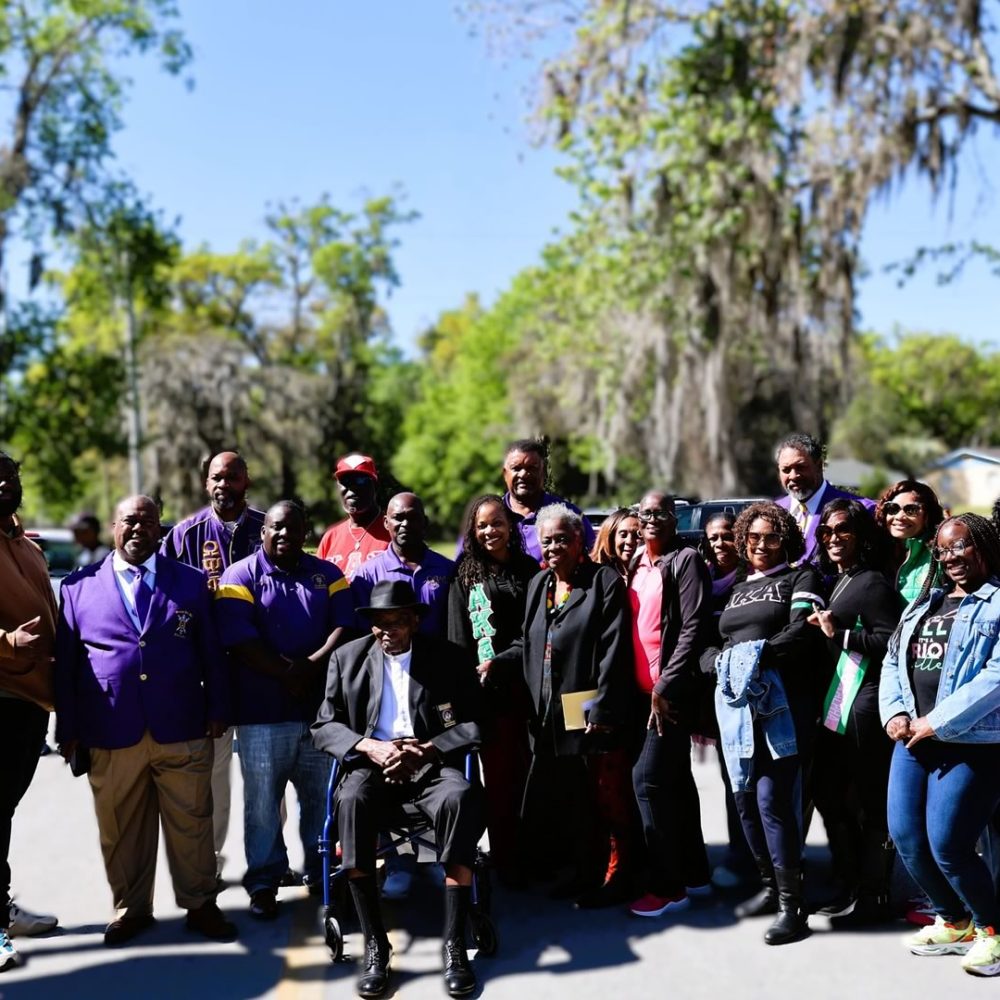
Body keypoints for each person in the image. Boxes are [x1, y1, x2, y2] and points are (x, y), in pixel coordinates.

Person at [54, 495, 236, 947]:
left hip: (182, 725)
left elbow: (211, 653)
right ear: (114, 527)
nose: (138, 530)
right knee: (120, 827)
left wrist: (218, 709)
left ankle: (201, 905)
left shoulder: (191, 584)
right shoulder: (78, 587)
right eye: (129, 522)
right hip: (111, 729)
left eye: (148, 522)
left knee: (193, 821)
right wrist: (69, 730)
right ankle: (130, 910)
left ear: (161, 530)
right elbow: (67, 668)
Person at [312, 580, 484, 999]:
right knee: (350, 802)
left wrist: (428, 748)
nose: (387, 631)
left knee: (460, 797)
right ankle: (375, 943)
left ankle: (454, 944)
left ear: (414, 620)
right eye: (378, 623)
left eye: (396, 622)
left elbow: (476, 723)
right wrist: (369, 746)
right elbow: (324, 725)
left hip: (429, 764)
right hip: (373, 764)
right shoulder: (346, 659)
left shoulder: (448, 659)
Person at [486, 504, 634, 909]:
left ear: (579, 540)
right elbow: (528, 642)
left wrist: (602, 709)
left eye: (561, 539)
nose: (553, 547)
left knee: (604, 798)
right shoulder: (540, 585)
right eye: (546, 540)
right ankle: (581, 873)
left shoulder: (602, 582)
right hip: (547, 715)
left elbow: (613, 649)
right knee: (572, 800)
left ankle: (617, 877)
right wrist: (498, 661)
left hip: (586, 709)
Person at [215, 500, 353, 919]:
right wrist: (286, 672)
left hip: (317, 714)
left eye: (292, 530)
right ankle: (263, 882)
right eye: (275, 528)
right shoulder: (239, 576)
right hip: (262, 714)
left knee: (318, 802)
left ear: (305, 533)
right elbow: (239, 638)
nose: (283, 535)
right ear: (262, 532)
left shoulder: (328, 576)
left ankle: (320, 871)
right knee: (261, 805)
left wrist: (310, 667)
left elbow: (344, 628)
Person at [880, 513, 1000, 977]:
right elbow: (893, 659)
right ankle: (954, 920)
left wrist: (936, 721)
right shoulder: (923, 604)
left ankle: (993, 930)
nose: (952, 557)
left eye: (962, 546)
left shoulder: (995, 603)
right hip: (912, 739)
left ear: (984, 545)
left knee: (949, 842)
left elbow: (995, 677)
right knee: (908, 839)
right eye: (944, 550)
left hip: (972, 741)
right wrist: (894, 713)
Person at [702, 501, 824, 945]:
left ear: (786, 539)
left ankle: (794, 907)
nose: (761, 544)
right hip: (735, 709)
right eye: (752, 537)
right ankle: (770, 888)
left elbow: (801, 634)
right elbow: (713, 641)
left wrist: (748, 658)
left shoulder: (799, 576)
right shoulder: (736, 586)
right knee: (745, 802)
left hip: (781, 707)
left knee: (773, 802)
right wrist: (714, 661)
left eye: (771, 536)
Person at [161, 449, 266, 881]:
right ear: (206, 484)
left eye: (233, 477)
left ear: (247, 481)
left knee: (264, 773)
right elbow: (167, 602)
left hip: (261, 671)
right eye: (216, 478)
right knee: (212, 775)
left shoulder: (269, 527)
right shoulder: (185, 535)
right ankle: (212, 863)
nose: (224, 485)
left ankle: (266, 862)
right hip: (209, 676)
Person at [806, 499, 901, 925]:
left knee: (870, 805)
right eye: (826, 531)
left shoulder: (873, 583)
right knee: (828, 794)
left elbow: (891, 642)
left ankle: (874, 895)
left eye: (842, 530)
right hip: (837, 709)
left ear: (861, 536)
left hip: (866, 709)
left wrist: (839, 634)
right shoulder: (839, 581)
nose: (833, 538)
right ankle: (848, 880)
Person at [628, 492, 713, 917]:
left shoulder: (686, 560)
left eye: (661, 513)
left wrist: (666, 685)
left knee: (647, 782)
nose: (653, 520)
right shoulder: (638, 563)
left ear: (675, 517)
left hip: (669, 697)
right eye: (646, 514)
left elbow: (693, 626)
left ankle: (667, 887)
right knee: (676, 782)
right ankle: (695, 874)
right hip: (642, 694)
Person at [448, 494, 539, 883]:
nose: (490, 531)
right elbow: (456, 641)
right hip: (486, 698)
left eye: (497, 522)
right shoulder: (464, 575)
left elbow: (536, 632)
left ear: (511, 526)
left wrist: (505, 660)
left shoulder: (529, 570)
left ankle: (539, 852)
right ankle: (507, 859)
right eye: (482, 525)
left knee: (533, 778)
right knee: (499, 783)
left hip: (530, 691)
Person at [0, 452, 59, 970]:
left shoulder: (25, 544)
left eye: (11, 475)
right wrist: (5, 642)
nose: (4, 483)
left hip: (31, 700)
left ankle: (3, 906)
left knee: (4, 811)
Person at [699, 512, 756, 891]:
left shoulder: (749, 580)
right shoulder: (702, 579)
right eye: (714, 539)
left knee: (751, 778)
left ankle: (755, 859)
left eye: (726, 537)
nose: (721, 544)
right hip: (714, 689)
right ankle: (739, 853)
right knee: (729, 776)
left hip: (750, 691)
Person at [351, 492, 454, 639]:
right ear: (386, 522)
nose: (405, 524)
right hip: (387, 659)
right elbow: (361, 631)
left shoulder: (448, 569)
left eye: (413, 517)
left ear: (424, 522)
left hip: (438, 659)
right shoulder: (366, 574)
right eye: (398, 518)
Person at [773, 432, 874, 563]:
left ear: (819, 465)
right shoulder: (773, 512)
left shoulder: (861, 509)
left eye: (800, 467)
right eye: (786, 470)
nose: (793, 476)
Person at [495, 439, 596, 563]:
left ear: (543, 472)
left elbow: (594, 557)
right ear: (505, 474)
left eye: (532, 468)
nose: (524, 474)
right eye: (516, 468)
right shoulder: (490, 516)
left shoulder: (568, 514)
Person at [316, 453, 391, 580]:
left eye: (360, 480)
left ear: (375, 486)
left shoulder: (392, 531)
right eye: (345, 482)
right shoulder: (330, 537)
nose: (352, 487)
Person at [876, 480, 945, 604]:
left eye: (911, 510)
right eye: (893, 508)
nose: (899, 517)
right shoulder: (875, 551)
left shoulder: (939, 556)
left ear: (928, 516)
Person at [590, 507, 641, 579]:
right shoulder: (595, 576)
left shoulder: (652, 575)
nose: (630, 541)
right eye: (623, 535)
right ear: (611, 538)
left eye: (637, 535)